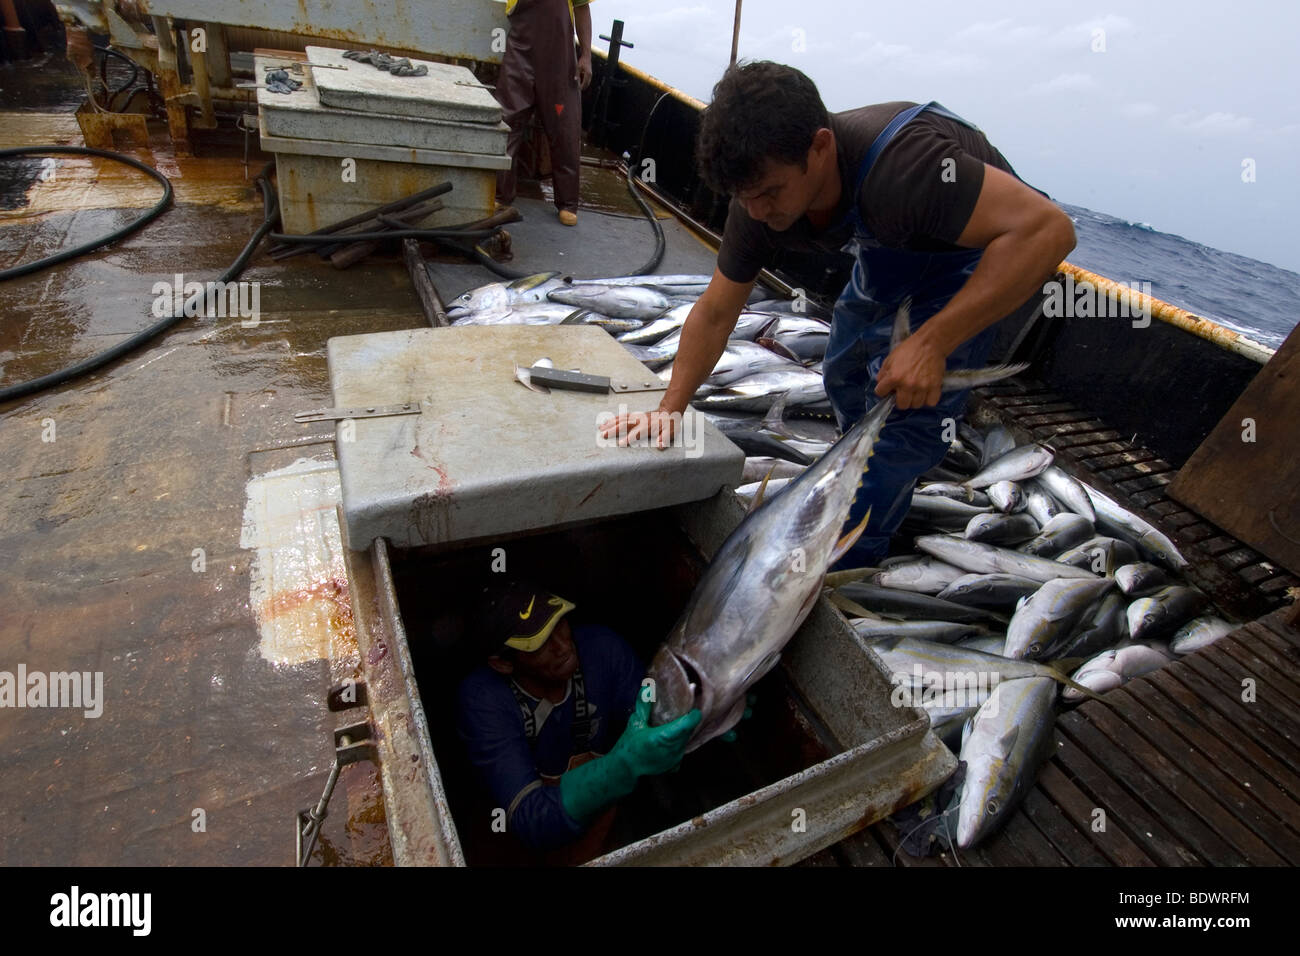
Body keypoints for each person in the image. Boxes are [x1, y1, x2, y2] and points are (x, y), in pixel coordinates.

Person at [600, 61, 1076, 566]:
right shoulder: (755, 199)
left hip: (981, 248)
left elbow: (1050, 232)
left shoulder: (907, 169)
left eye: (770, 194)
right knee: (843, 372)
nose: (758, 212)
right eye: (745, 198)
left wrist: (932, 342)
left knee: (902, 424)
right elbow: (716, 312)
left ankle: (857, 543)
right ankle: (863, 472)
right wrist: (671, 407)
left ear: (821, 148)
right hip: (892, 239)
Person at [456, 580, 700, 859]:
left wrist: (707, 709)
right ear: (503, 663)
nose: (563, 646)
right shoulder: (483, 700)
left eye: (558, 624)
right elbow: (530, 819)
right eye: (539, 644)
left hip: (598, 830)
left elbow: (658, 723)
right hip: (518, 846)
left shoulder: (601, 650)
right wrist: (622, 766)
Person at [494, 0, 594, 226]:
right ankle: (501, 195)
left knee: (565, 128)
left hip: (559, 61)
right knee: (506, 122)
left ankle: (568, 203)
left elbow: (582, 7)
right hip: (520, 53)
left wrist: (586, 55)